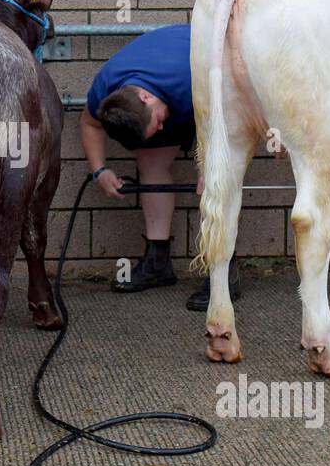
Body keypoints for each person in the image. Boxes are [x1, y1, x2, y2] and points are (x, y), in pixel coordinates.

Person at [81, 23, 241, 310]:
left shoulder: (189, 75)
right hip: (177, 98)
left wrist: (212, 167)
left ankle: (224, 269)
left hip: (217, 92)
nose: (160, 128)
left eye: (156, 123)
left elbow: (234, 116)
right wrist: (100, 171)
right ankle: (158, 262)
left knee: (217, 178)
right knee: (150, 159)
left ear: (145, 97)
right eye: (154, 127)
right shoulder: (106, 88)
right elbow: (89, 123)